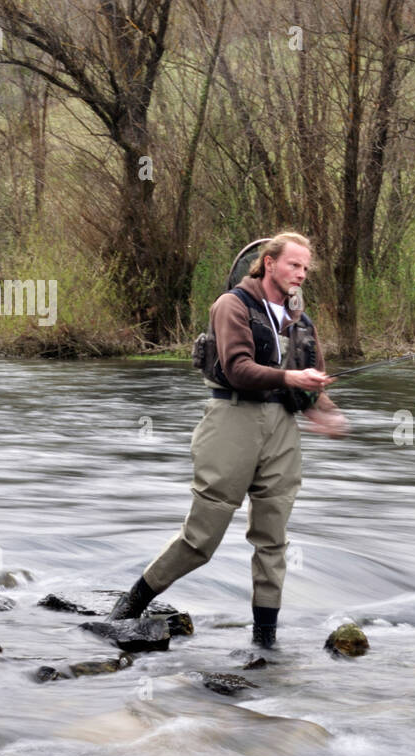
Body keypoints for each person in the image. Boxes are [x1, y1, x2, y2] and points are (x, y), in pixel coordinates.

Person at [109, 232, 349, 648]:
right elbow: (238, 368)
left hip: (282, 431)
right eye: (294, 265)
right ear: (269, 263)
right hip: (231, 420)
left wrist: (325, 411)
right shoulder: (232, 305)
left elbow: (312, 382)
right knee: (202, 539)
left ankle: (265, 643)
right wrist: (291, 377)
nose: (301, 274)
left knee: (273, 539)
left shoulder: (302, 322)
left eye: (306, 268)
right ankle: (130, 605)